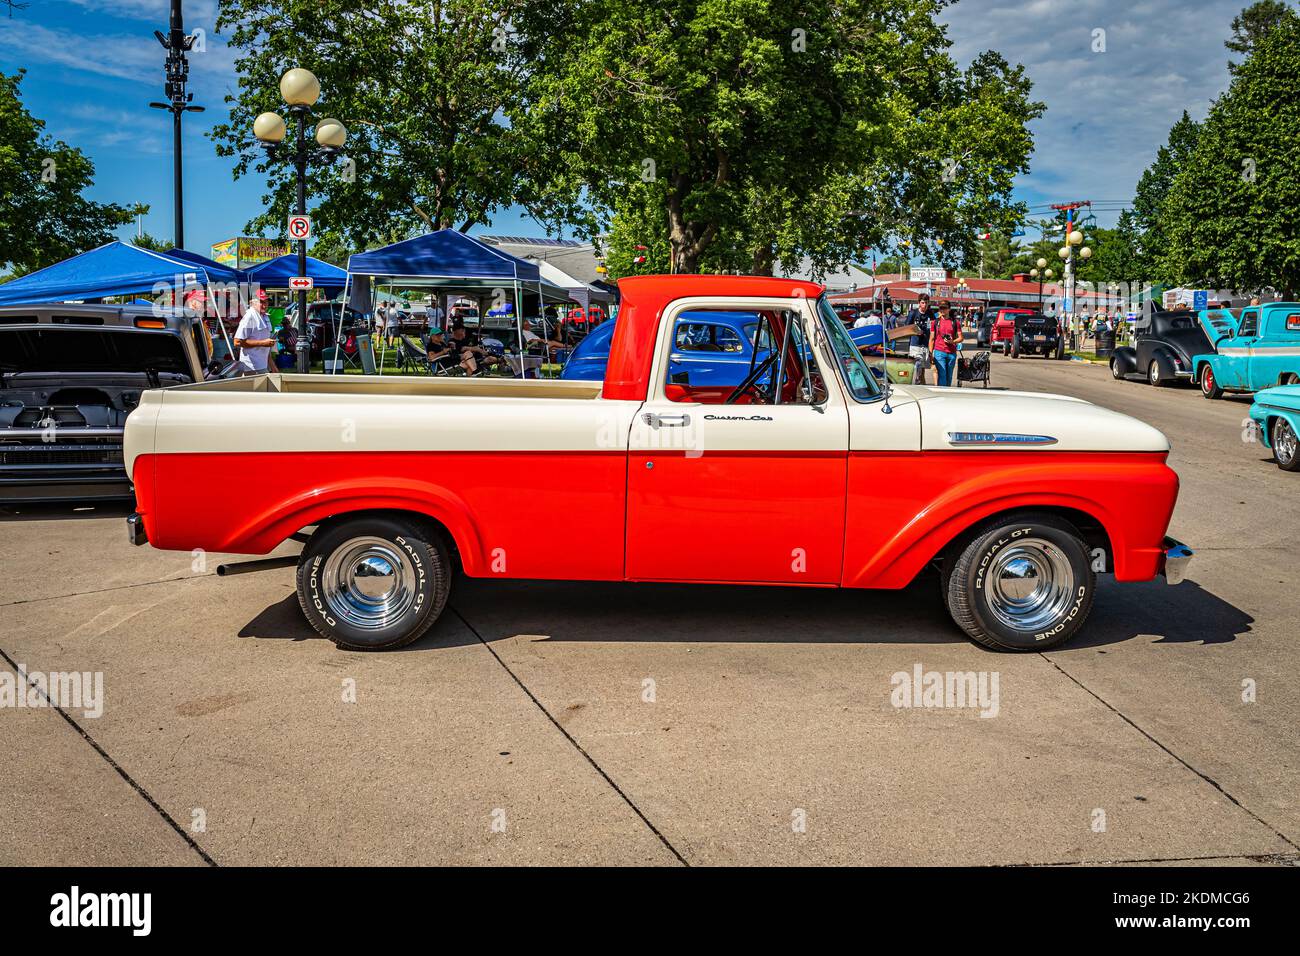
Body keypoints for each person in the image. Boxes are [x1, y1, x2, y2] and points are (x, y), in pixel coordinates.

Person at [233, 290, 275, 375]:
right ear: (252, 303)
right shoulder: (249, 317)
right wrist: (262, 343)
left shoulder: (264, 316)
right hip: (251, 367)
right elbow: (237, 342)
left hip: (261, 365)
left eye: (266, 302)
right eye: (261, 302)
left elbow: (266, 345)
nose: (265, 305)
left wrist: (272, 366)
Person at [929, 301, 961, 387]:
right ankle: (942, 394)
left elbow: (961, 338)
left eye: (944, 308)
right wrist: (930, 353)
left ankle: (946, 394)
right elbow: (931, 339)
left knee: (949, 377)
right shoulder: (935, 322)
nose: (942, 310)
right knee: (942, 375)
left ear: (949, 309)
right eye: (941, 308)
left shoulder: (955, 322)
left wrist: (952, 341)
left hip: (952, 353)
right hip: (939, 352)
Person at [906, 293, 933, 385]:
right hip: (915, 344)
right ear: (918, 303)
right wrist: (916, 331)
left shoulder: (930, 313)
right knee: (917, 366)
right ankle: (916, 383)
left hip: (926, 344)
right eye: (922, 303)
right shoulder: (913, 313)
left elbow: (934, 326)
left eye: (926, 303)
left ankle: (922, 386)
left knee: (923, 369)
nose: (924, 305)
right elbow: (907, 327)